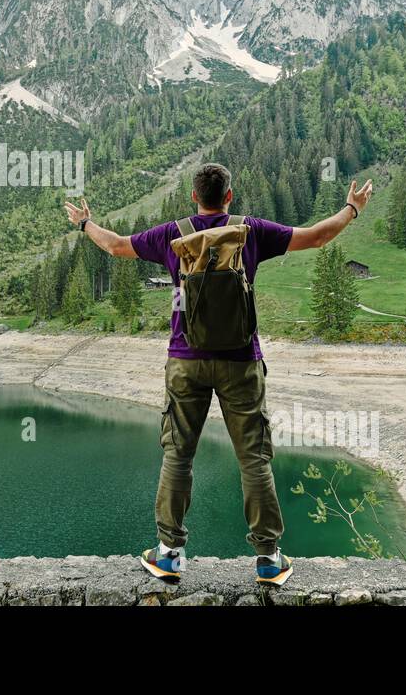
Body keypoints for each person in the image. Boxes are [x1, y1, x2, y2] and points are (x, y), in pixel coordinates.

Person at [63, 162, 372, 586]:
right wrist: (351, 208)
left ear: (195, 197)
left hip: (185, 361)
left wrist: (85, 224)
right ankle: (268, 559)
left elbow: (116, 247)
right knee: (254, 459)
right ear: (229, 196)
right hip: (241, 360)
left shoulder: (172, 234)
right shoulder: (251, 230)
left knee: (178, 454)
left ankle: (170, 554)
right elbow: (317, 236)